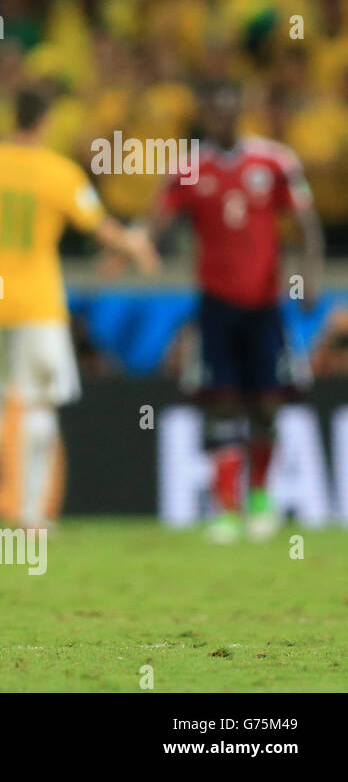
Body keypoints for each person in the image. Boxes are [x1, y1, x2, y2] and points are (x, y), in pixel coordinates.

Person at [0, 87, 159, 530]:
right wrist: (136, 247)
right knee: (40, 405)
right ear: (45, 122)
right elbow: (100, 226)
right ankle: (31, 512)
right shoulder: (59, 172)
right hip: (38, 306)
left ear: (12, 116)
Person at [143, 82, 324, 543]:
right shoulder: (189, 169)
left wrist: (311, 277)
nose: (224, 116)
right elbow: (158, 220)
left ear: (239, 110)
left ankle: (260, 498)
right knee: (220, 403)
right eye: (216, 109)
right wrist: (139, 246)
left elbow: (307, 225)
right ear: (206, 114)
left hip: (265, 305)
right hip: (217, 305)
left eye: (230, 107)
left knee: (266, 403)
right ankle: (227, 509)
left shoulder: (274, 161)